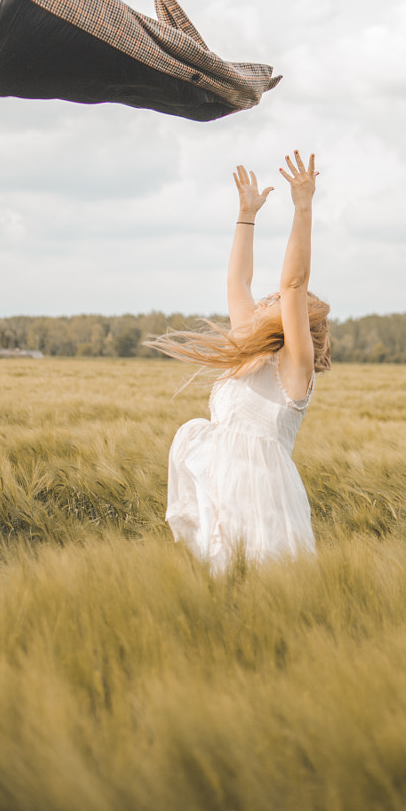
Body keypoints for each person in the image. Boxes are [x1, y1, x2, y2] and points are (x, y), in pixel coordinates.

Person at [147, 150, 330, 571]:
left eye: (275, 302)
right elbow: (237, 280)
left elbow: (294, 283)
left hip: (265, 503)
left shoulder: (294, 370)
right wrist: (246, 215)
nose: (266, 299)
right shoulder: (247, 354)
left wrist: (303, 208)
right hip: (221, 495)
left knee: (265, 589)